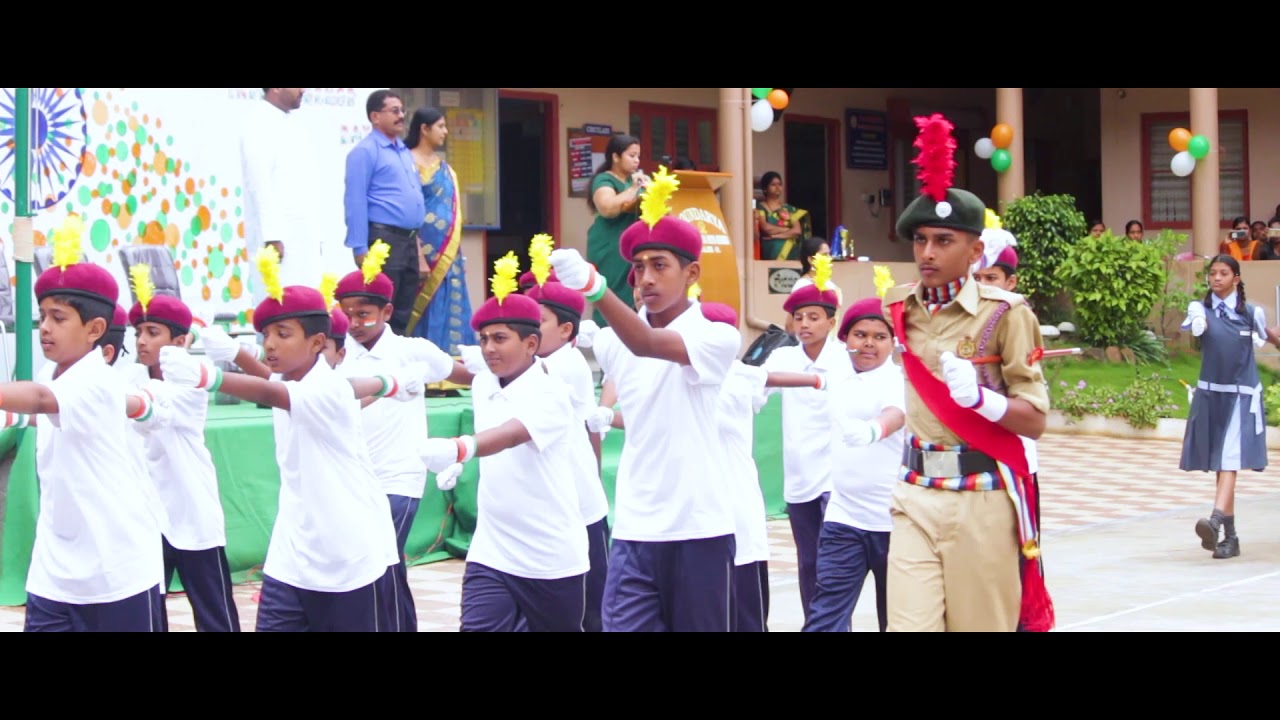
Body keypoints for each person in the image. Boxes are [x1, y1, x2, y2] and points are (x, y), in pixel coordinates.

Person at [159, 247, 419, 632]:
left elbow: (270, 394)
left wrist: (206, 376)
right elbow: (269, 378)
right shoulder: (295, 379)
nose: (271, 344)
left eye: (283, 334)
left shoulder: (324, 389)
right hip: (293, 554)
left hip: (351, 553)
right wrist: (390, 383)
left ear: (317, 343)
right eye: (266, 334)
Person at [881, 113, 1054, 633]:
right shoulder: (897, 308)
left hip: (981, 497)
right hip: (914, 491)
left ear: (976, 251)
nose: (927, 253)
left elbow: (1036, 419)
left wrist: (984, 401)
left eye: (943, 241)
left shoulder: (1007, 313)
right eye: (920, 240)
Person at [549, 167, 741, 632]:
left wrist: (594, 288)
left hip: (699, 527)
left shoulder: (716, 336)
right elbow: (622, 367)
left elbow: (649, 345)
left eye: (660, 265)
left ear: (692, 272)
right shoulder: (616, 341)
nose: (646, 278)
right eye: (639, 267)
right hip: (636, 527)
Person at [0, 216, 165, 631]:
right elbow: (36, 412)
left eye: (59, 317)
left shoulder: (97, 382)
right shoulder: (50, 378)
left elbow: (38, 402)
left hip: (117, 573)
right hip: (54, 573)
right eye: (43, 316)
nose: (46, 328)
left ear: (94, 329)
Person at [420, 272, 589, 632]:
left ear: (531, 343)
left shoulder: (552, 393)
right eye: (483, 339)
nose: (489, 348)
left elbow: (512, 434)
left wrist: (461, 448)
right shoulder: (483, 384)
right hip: (492, 549)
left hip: (549, 554)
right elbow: (496, 437)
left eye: (500, 338)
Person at [333, 242, 472, 631]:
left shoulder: (413, 351)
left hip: (399, 476)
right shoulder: (337, 355)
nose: (355, 323)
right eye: (348, 315)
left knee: (381, 558)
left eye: (364, 314)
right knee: (380, 567)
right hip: (354, 476)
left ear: (387, 312)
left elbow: (466, 376)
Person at [126, 267, 241, 631]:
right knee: (147, 612)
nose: (142, 340)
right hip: (148, 514)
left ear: (179, 342)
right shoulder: (129, 379)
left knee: (214, 612)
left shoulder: (192, 380)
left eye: (152, 332)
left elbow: (151, 413)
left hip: (192, 509)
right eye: (138, 332)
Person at [803, 297, 906, 633]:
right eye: (860, 334)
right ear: (845, 338)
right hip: (843, 520)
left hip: (896, 525)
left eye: (880, 336)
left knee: (898, 620)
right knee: (825, 616)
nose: (869, 344)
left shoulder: (899, 380)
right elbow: (799, 377)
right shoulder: (835, 373)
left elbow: (896, 413)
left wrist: (872, 429)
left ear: (893, 342)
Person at [522, 276, 612, 632]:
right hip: (549, 500)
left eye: (538, 322)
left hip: (579, 501)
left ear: (565, 329)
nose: (529, 330)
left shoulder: (566, 364)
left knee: (593, 605)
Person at [758, 256, 844, 623]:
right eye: (799, 317)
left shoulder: (847, 359)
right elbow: (753, 389)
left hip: (837, 479)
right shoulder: (783, 356)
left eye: (813, 317)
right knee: (808, 562)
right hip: (799, 479)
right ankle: (815, 623)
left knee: (835, 564)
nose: (805, 324)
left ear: (831, 321)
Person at [1181, 255, 1267, 560]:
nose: (1216, 278)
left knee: (1229, 457)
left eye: (1224, 273)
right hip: (1210, 395)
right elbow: (1198, 327)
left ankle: (1215, 520)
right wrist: (1201, 320)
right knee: (1220, 464)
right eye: (1212, 273)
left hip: (1242, 395)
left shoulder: (1252, 313)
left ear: (1237, 278)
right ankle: (1230, 538)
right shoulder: (1198, 308)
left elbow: (1270, 337)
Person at [343, 90, 428, 336]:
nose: (401, 116)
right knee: (382, 304)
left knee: (403, 308)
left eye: (402, 111)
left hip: (409, 240)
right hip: (383, 241)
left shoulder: (402, 150)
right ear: (375, 116)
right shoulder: (365, 151)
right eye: (394, 111)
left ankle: (395, 363)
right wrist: (360, 247)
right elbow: (355, 201)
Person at [404, 106, 476, 353]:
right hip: (419, 252)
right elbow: (408, 211)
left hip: (448, 254)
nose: (446, 131)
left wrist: (457, 252)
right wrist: (420, 255)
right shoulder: (406, 163)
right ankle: (424, 370)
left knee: (451, 306)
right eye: (441, 126)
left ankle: (451, 372)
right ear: (424, 129)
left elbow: (452, 215)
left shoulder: (446, 169)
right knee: (423, 307)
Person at [240, 88, 313, 298]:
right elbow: (259, 183)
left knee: (302, 307)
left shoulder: (291, 124)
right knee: (278, 306)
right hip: (278, 241)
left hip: (300, 237)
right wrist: (272, 236)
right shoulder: (258, 122)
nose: (302, 90)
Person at [585, 134, 649, 328]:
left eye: (638, 156)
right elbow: (607, 207)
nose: (637, 160)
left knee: (634, 291)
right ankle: (606, 336)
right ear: (615, 157)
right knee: (611, 293)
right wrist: (634, 188)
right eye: (632, 155)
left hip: (634, 246)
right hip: (610, 246)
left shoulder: (636, 180)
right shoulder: (604, 180)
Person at [755, 171, 811, 261]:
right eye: (773, 185)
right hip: (770, 251)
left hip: (790, 252)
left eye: (779, 184)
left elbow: (797, 231)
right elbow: (766, 228)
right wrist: (788, 230)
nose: (777, 187)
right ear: (765, 189)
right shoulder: (760, 207)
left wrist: (775, 236)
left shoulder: (789, 209)